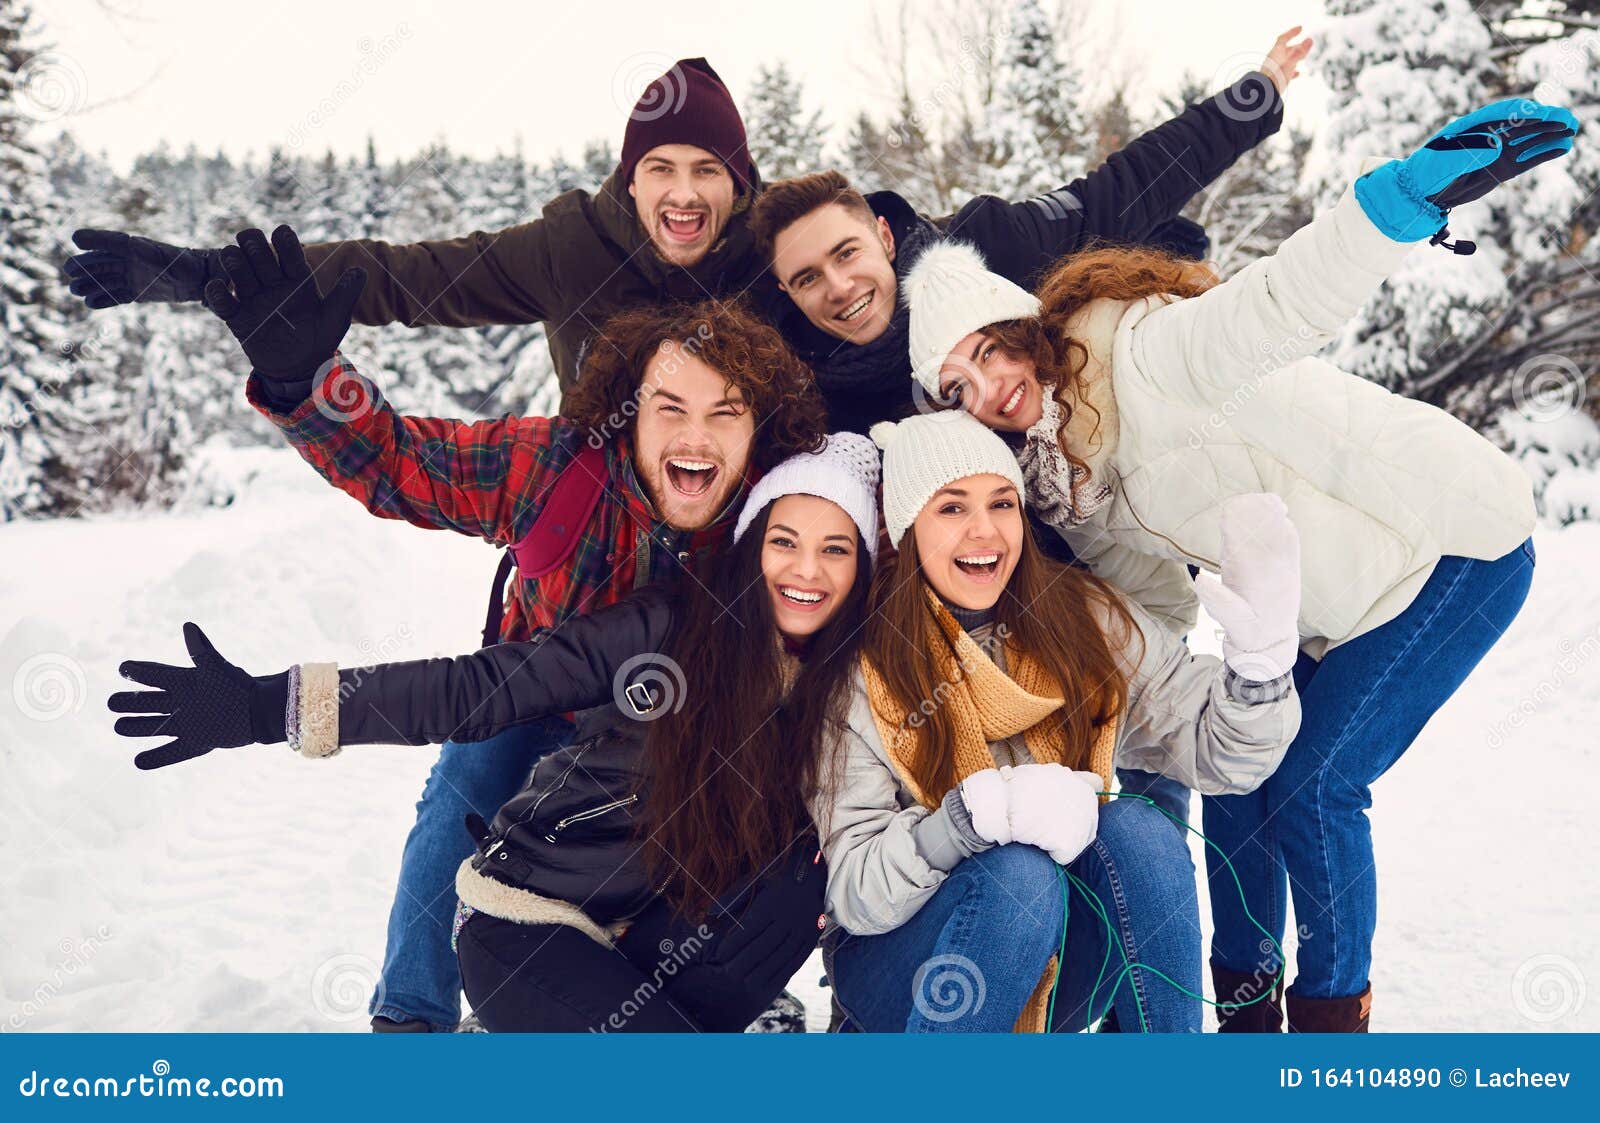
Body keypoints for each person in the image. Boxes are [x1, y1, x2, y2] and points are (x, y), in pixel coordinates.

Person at [902, 99, 1576, 1031]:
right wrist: (1123, 711)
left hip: (1449, 541)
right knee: (1238, 778)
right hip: (1334, 602)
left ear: (1021, 326)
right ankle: (1249, 1016)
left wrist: (1398, 201)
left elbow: (1278, 305)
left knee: (1316, 783)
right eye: (958, 388)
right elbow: (1149, 607)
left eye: (988, 351)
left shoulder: (1138, 352)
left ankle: (1333, 1026)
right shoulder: (1065, 480)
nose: (989, 388)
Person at [194, 222, 827, 1029]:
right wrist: (306, 382)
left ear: (756, 427)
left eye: (724, 413)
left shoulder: (776, 511)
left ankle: (660, 991)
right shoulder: (556, 467)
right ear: (628, 415)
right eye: (668, 408)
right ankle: (411, 1017)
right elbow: (401, 462)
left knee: (736, 805)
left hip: (669, 722)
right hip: (534, 694)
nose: (694, 436)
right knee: (462, 792)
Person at [108, 435, 884, 1032]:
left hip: (652, 935)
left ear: (862, 569)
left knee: (795, 881)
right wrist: (265, 706)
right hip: (530, 921)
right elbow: (476, 688)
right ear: (750, 547)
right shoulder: (669, 627)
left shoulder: (848, 686)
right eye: (785, 541)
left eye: (835, 548)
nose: (806, 570)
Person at [813, 411, 1303, 1032]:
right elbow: (855, 893)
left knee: (1141, 832)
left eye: (1002, 504)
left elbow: (1216, 751)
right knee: (1018, 875)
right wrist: (969, 821)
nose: (985, 531)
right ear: (910, 528)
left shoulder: (1083, 619)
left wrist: (1260, 670)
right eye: (952, 508)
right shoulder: (863, 666)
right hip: (902, 973)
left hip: (1053, 952)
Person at [745, 29, 1312, 432]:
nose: (840, 286)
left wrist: (1249, 104)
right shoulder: (810, 392)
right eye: (808, 277)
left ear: (885, 237)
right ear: (785, 291)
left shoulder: (991, 249)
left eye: (847, 252)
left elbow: (1119, 194)